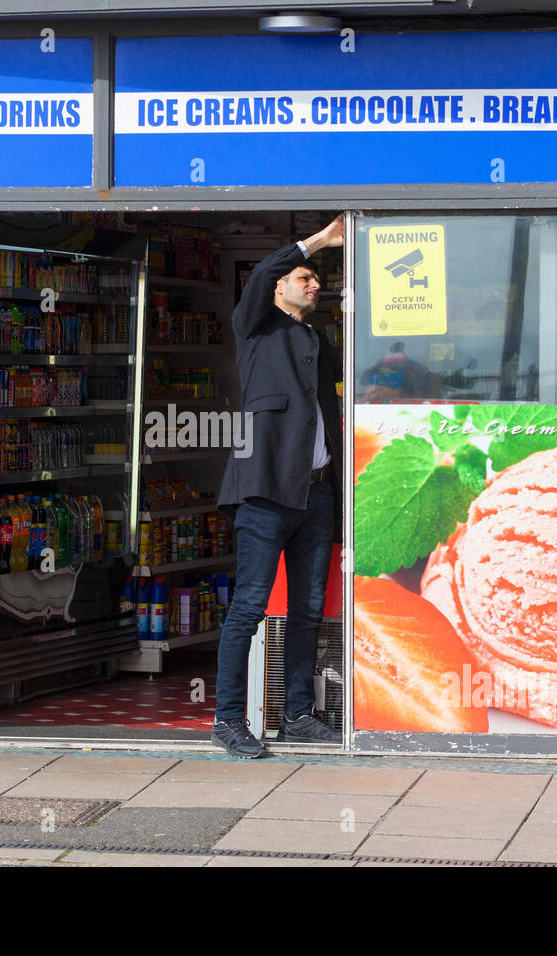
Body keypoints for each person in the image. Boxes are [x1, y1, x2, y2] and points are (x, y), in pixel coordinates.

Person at [212, 213, 345, 759]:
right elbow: (264, 269)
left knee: (308, 610)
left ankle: (296, 715)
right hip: (265, 491)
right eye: (303, 277)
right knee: (249, 606)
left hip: (314, 493)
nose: (313, 282)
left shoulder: (316, 338)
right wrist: (320, 239)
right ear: (277, 287)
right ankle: (226, 719)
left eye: (316, 276)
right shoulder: (256, 325)